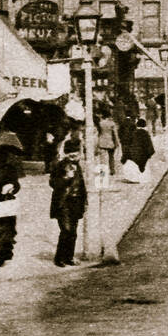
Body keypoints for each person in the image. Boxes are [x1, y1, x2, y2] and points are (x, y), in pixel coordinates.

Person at [50, 138, 87, 266]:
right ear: (66, 153)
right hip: (63, 202)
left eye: (76, 152)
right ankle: (59, 258)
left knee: (73, 232)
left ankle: (69, 257)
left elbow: (81, 186)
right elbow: (53, 183)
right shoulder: (60, 165)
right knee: (66, 230)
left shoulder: (78, 166)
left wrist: (84, 202)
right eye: (70, 152)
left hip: (76, 202)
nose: (74, 154)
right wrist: (66, 178)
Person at [95, 106, 119, 177]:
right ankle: (112, 170)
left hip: (102, 141)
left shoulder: (100, 123)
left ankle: (102, 173)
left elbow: (98, 133)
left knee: (102, 158)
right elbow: (115, 133)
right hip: (110, 141)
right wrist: (117, 142)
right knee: (111, 157)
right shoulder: (112, 123)